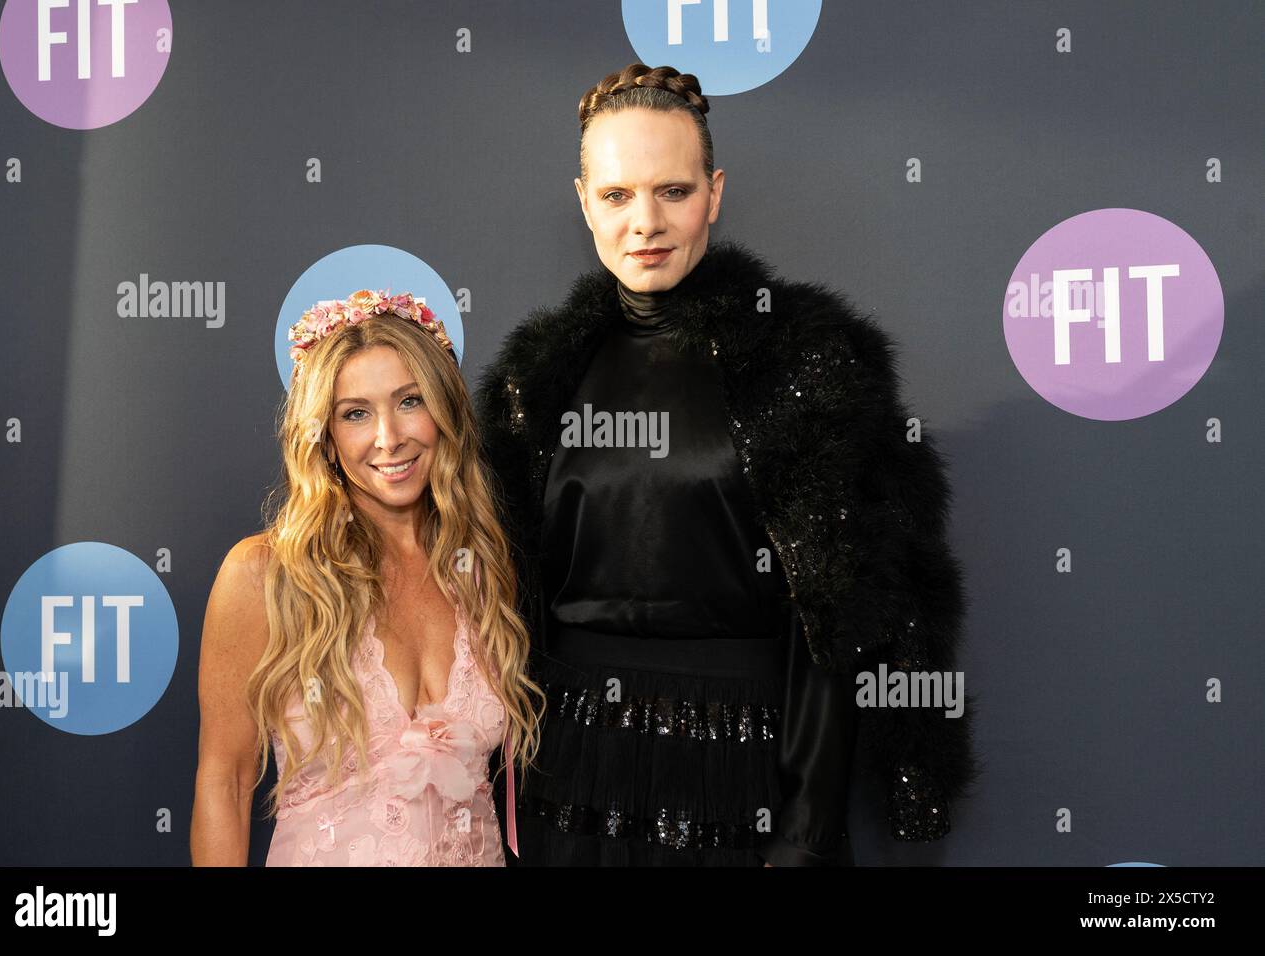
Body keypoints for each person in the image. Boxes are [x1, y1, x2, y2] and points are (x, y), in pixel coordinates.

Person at [475, 64, 980, 866]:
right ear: (584, 203)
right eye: (617, 195)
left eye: (672, 191)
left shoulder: (804, 358)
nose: (645, 221)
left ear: (714, 192)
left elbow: (838, 615)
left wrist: (810, 818)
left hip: (741, 765)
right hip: (564, 768)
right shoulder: (531, 381)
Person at [191, 289, 543, 866]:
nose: (389, 437)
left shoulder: (480, 566)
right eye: (356, 412)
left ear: (444, 410)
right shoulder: (267, 574)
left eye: (410, 401)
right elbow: (223, 782)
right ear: (325, 438)